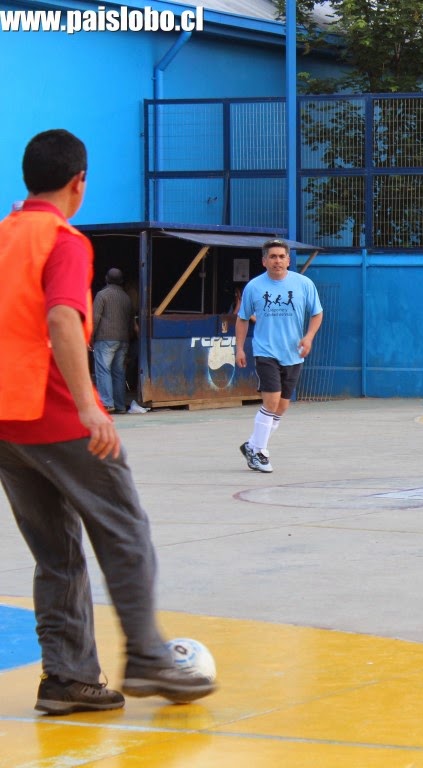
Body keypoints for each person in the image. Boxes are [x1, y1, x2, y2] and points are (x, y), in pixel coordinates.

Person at [0, 129, 216, 715]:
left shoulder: (5, 235)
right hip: (57, 414)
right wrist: (91, 404)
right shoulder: (63, 241)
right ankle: (148, 656)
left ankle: (69, 678)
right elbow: (65, 320)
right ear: (79, 181)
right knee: (125, 531)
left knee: (56, 551)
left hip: (7, 424)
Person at [235, 238, 324, 473]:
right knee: (271, 402)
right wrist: (240, 348)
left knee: (282, 407)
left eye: (281, 256)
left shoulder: (303, 284)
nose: (277, 261)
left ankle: (252, 444)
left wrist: (309, 337)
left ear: (288, 260)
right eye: (272, 257)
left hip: (293, 354)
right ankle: (258, 453)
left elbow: (317, 314)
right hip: (266, 352)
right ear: (264, 261)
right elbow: (243, 318)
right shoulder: (254, 287)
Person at [91, 267, 135, 414]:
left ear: (106, 279)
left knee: (103, 370)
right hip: (123, 340)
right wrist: (128, 339)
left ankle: (107, 403)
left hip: (105, 339)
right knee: (119, 373)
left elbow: (95, 318)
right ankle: (120, 405)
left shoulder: (101, 295)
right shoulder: (127, 298)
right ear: (122, 281)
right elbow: (130, 322)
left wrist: (90, 337)